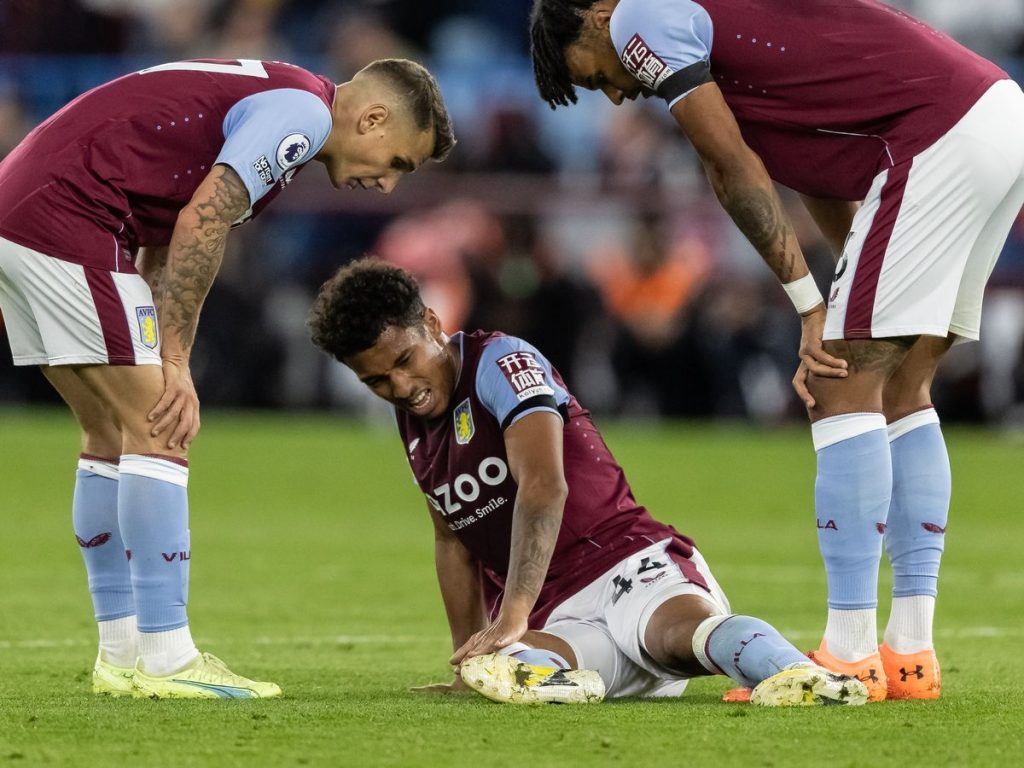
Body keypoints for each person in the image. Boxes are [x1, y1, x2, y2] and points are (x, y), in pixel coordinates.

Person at [529, 0, 1024, 700]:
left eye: (594, 76)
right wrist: (844, 291)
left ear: (598, 13)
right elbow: (822, 173)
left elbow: (729, 166)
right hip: (992, 116)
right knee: (902, 387)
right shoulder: (728, 52)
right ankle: (910, 654)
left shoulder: (641, 15)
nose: (613, 93)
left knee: (836, 383)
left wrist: (812, 307)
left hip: (938, 135)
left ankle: (848, 652)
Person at [0, 57, 455, 699]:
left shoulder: (283, 93)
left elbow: (168, 226)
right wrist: (174, 361)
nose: (386, 186)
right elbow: (203, 221)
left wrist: (158, 342)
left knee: (109, 433)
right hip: (68, 217)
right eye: (398, 163)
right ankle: (167, 657)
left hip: (22, 206)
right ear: (373, 119)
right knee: (162, 426)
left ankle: (122, 654)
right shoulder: (304, 114)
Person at [307, 257, 868, 707]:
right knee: (497, 670)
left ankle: (801, 676)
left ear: (431, 323)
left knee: (678, 637)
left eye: (405, 360)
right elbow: (452, 539)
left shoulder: (501, 363)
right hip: (552, 617)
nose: (402, 386)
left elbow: (544, 486)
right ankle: (573, 683)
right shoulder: (413, 424)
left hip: (624, 563)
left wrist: (513, 611)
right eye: (377, 381)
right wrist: (466, 661)